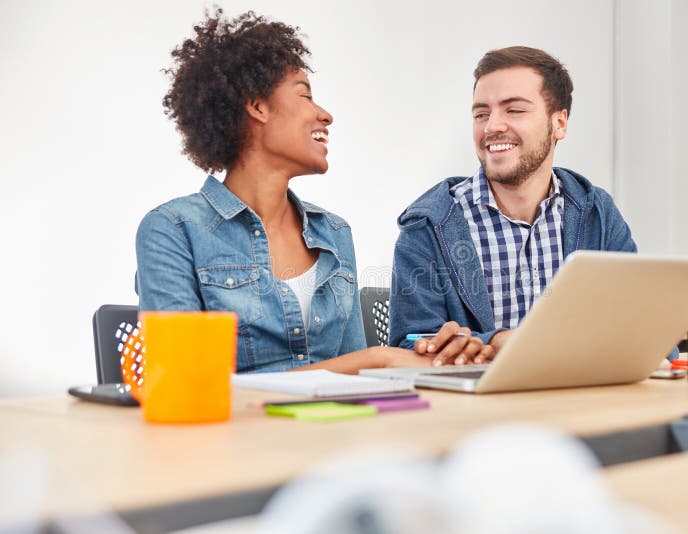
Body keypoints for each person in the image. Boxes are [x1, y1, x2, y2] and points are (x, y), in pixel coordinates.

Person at [136, 9, 431, 374]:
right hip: (235, 432)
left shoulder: (334, 233)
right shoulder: (173, 229)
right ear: (257, 106)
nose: (325, 115)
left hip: (330, 428)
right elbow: (185, 380)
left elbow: (358, 382)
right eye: (305, 95)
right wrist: (377, 357)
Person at [390, 46, 637, 366]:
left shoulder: (596, 213)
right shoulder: (428, 225)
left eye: (514, 110)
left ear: (559, 123)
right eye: (481, 114)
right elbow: (407, 351)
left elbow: (639, 327)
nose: (492, 126)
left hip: (584, 401)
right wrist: (495, 342)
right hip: (478, 411)